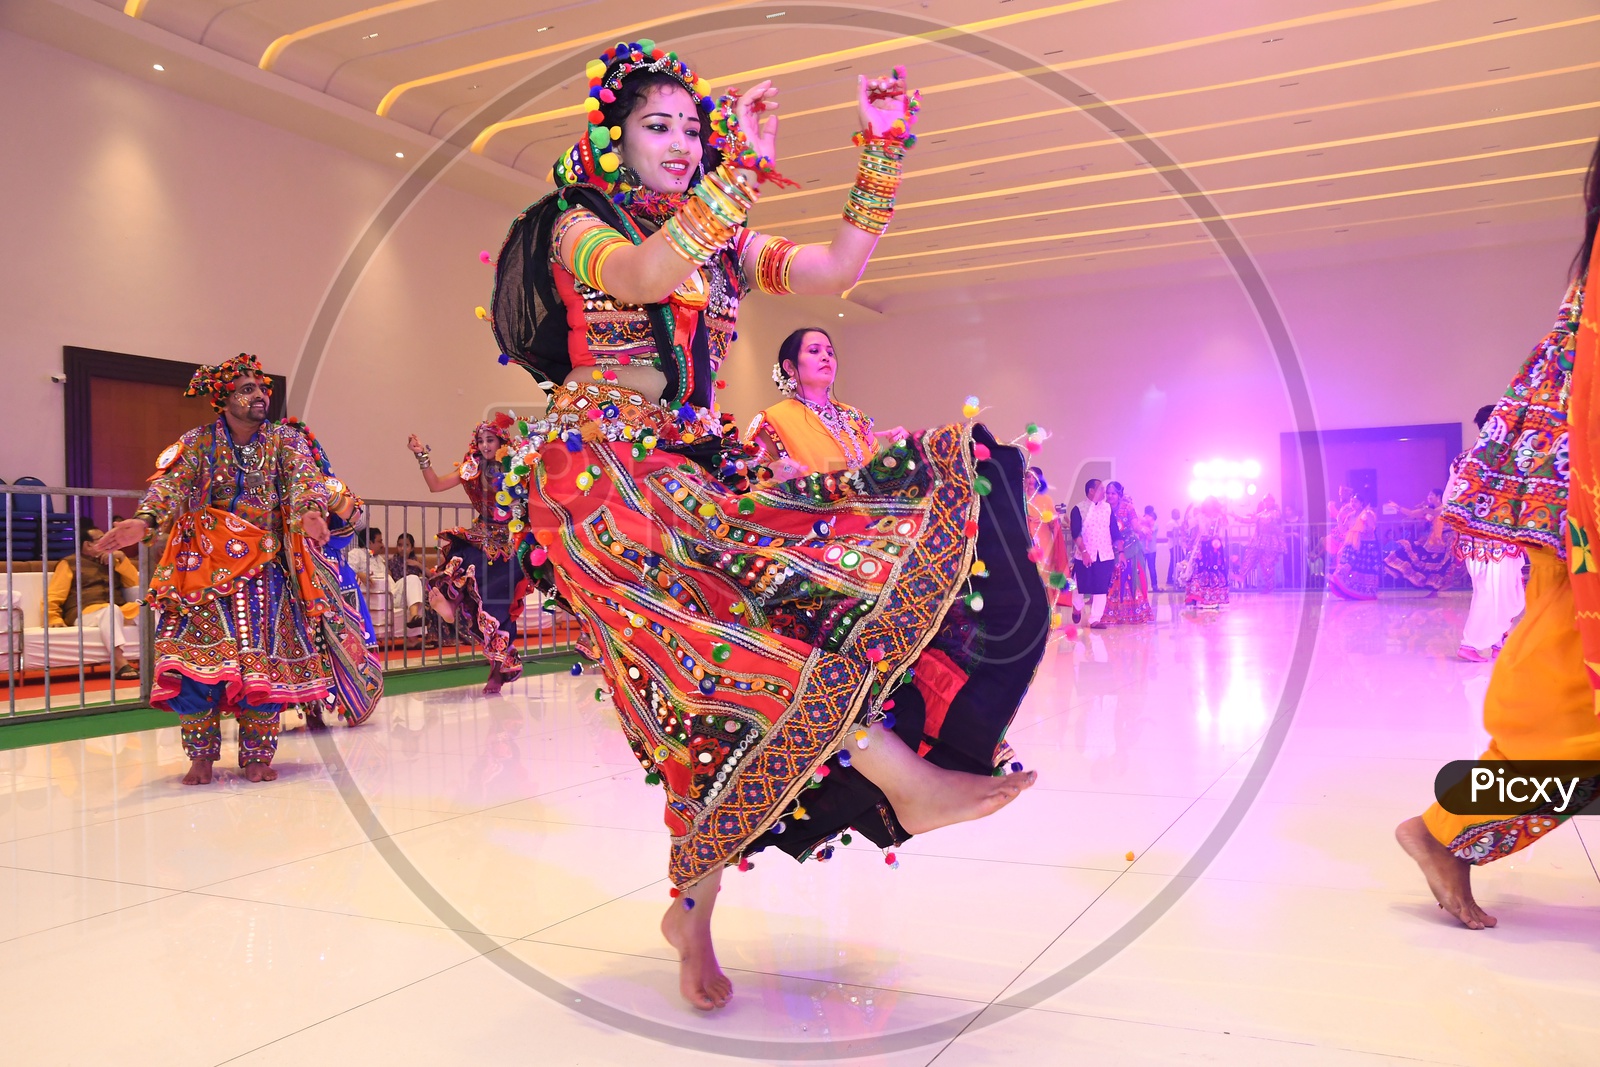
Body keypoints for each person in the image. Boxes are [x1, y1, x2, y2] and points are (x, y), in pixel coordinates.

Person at [488, 44, 1045, 1011]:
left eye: (691, 128)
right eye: (657, 125)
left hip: (692, 474)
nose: (680, 142)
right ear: (614, 138)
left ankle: (691, 915)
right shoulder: (580, 225)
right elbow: (648, 271)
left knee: (728, 686)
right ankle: (901, 781)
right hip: (597, 478)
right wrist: (736, 173)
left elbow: (835, 265)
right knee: (718, 667)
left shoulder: (721, 234)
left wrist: (880, 151)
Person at [1395, 131, 1598, 929]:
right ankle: (1444, 830)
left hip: (1571, 518)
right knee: (1570, 716)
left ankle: (1444, 830)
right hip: (1582, 524)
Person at [89, 354, 372, 784]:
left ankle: (257, 755)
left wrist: (310, 512)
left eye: (261, 388)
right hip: (203, 571)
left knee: (265, 666)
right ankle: (200, 757)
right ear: (222, 399)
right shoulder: (198, 442)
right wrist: (144, 521)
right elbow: (170, 485)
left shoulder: (284, 440)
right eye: (247, 389)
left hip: (267, 573)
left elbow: (304, 479)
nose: (259, 395)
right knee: (192, 665)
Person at [407, 418, 526, 694]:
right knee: (459, 564)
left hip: (509, 544)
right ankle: (451, 604)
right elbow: (436, 485)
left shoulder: (516, 468)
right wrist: (421, 455)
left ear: (501, 442)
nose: (485, 446)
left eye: (490, 440)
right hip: (481, 538)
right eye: (481, 441)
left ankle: (496, 671)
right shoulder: (471, 467)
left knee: (497, 611)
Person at [745, 327, 905, 479]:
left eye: (830, 353)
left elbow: (882, 475)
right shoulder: (774, 419)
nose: (825, 357)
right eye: (814, 351)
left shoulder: (854, 416)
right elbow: (747, 473)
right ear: (790, 367)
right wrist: (774, 471)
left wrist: (903, 449)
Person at [1442, 405, 1527, 661]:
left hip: (1478, 539)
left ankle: (1498, 639)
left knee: (1503, 592)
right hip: (1498, 538)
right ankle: (1470, 643)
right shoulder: (1510, 459)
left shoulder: (1463, 459)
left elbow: (1448, 500)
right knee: (1495, 593)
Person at [46, 526, 141, 679]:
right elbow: (55, 594)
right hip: (83, 612)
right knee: (110, 611)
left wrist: (122, 558)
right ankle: (120, 663)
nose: (109, 542)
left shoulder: (113, 560)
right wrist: (53, 617)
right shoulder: (70, 563)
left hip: (116, 609)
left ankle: (160, 659)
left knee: (150, 608)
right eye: (102, 539)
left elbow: (134, 583)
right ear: (88, 544)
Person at [1383, 489, 1463, 596]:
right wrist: (1398, 507)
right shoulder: (1431, 509)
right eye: (1428, 494)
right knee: (1424, 559)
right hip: (1434, 541)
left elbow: (1434, 513)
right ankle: (1430, 589)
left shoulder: (1444, 507)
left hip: (1447, 541)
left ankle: (1435, 591)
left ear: (1438, 497)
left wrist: (1425, 509)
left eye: (1431, 494)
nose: (1428, 496)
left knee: (1441, 566)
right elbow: (1412, 514)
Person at [1069, 478, 1119, 629]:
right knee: (1080, 585)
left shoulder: (1107, 508)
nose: (1105, 492)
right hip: (1085, 555)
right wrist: (1084, 552)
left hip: (1105, 554)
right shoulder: (1078, 509)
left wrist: (1121, 551)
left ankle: (1095, 619)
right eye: (1101, 489)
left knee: (1101, 587)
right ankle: (1077, 606)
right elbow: (1076, 533)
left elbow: (1114, 531)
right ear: (1091, 491)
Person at [1102, 481, 1152, 624]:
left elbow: (1135, 526)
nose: (1110, 496)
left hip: (1130, 548)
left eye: (1113, 493)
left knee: (1131, 578)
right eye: (1108, 493)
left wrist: (1143, 530)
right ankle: (1113, 612)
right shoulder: (1104, 508)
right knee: (1113, 580)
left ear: (1119, 495)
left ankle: (1134, 612)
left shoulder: (1128, 508)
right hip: (1111, 549)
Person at [1326, 494, 1381, 600]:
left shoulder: (1367, 514)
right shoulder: (1350, 516)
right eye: (1351, 501)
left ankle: (1364, 592)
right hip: (1351, 544)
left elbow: (1372, 527)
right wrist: (1339, 517)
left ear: (1361, 503)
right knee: (1346, 563)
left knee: (1363, 568)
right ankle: (1346, 588)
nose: (1352, 503)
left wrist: (1361, 530)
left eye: (1355, 501)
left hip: (1365, 546)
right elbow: (1343, 530)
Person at [1182, 496, 1231, 610]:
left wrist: (1224, 513)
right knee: (1198, 570)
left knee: (1214, 570)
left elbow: (1227, 525)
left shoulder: (1219, 517)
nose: (1209, 507)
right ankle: (1196, 596)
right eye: (1207, 504)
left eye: (1211, 505)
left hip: (1215, 546)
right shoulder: (1200, 516)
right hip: (1202, 546)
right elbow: (1188, 525)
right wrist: (1186, 513)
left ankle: (1214, 597)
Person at [1239, 493, 1285, 593]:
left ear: (1273, 502)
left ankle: (1270, 586)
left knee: (1267, 565)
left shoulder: (1276, 512)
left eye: (1269, 501)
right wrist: (1235, 516)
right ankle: (1242, 575)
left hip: (1271, 543)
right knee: (1250, 555)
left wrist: (1256, 517)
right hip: (1259, 543)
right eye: (1265, 501)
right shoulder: (1262, 514)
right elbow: (1250, 520)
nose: (1267, 503)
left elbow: (1267, 519)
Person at [1140, 504, 1159, 592]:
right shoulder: (1142, 522)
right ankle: (1143, 587)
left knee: (1152, 568)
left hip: (1151, 550)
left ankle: (1154, 586)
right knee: (1142, 569)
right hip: (1142, 549)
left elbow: (1149, 532)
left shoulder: (1155, 524)